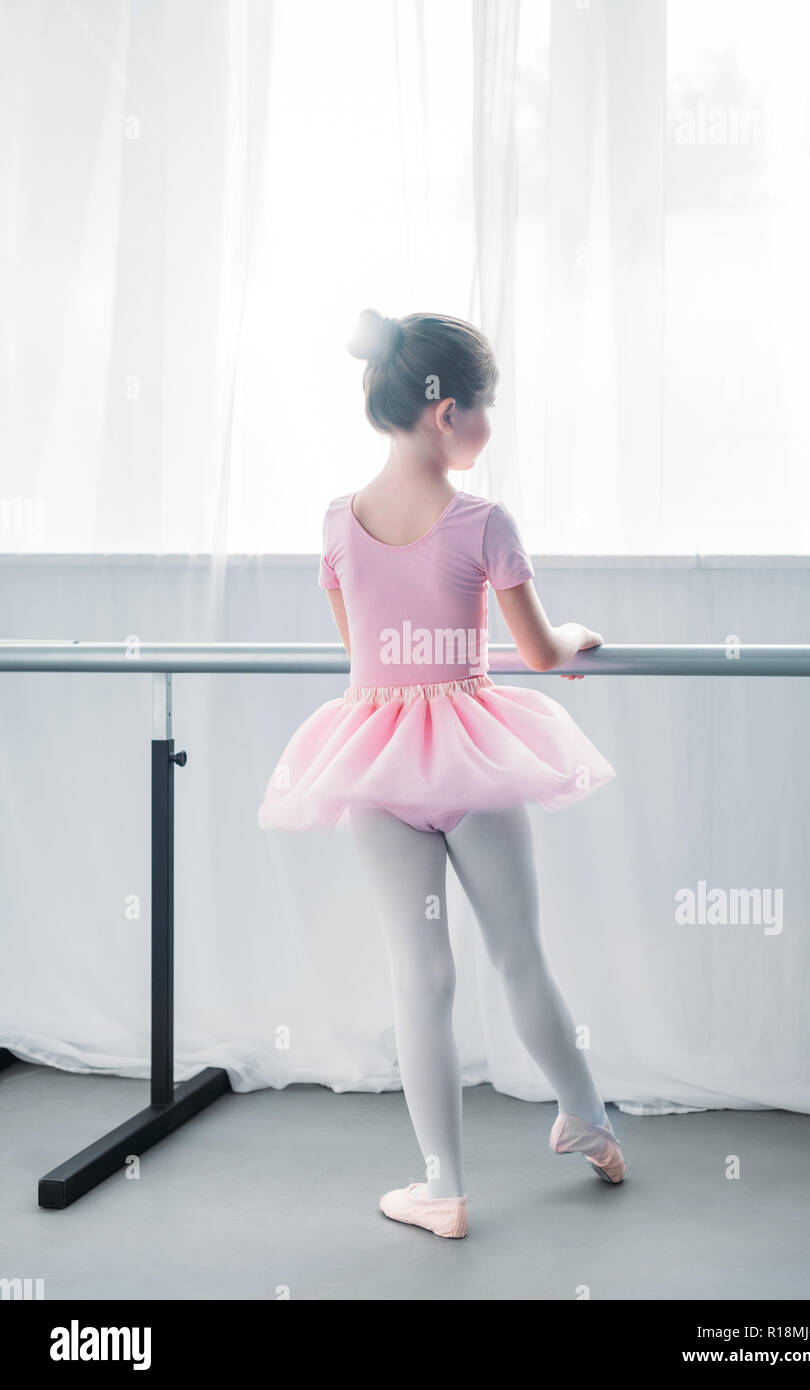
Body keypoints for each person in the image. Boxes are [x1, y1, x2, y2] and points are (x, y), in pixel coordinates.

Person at [258, 309, 623, 1239]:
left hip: (378, 763)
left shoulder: (339, 520)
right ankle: (588, 1121)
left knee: (418, 975)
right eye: (486, 410)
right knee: (519, 956)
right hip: (468, 754)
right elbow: (541, 653)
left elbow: (364, 664)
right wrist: (578, 636)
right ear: (446, 411)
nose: (487, 428)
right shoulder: (482, 521)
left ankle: (443, 1189)